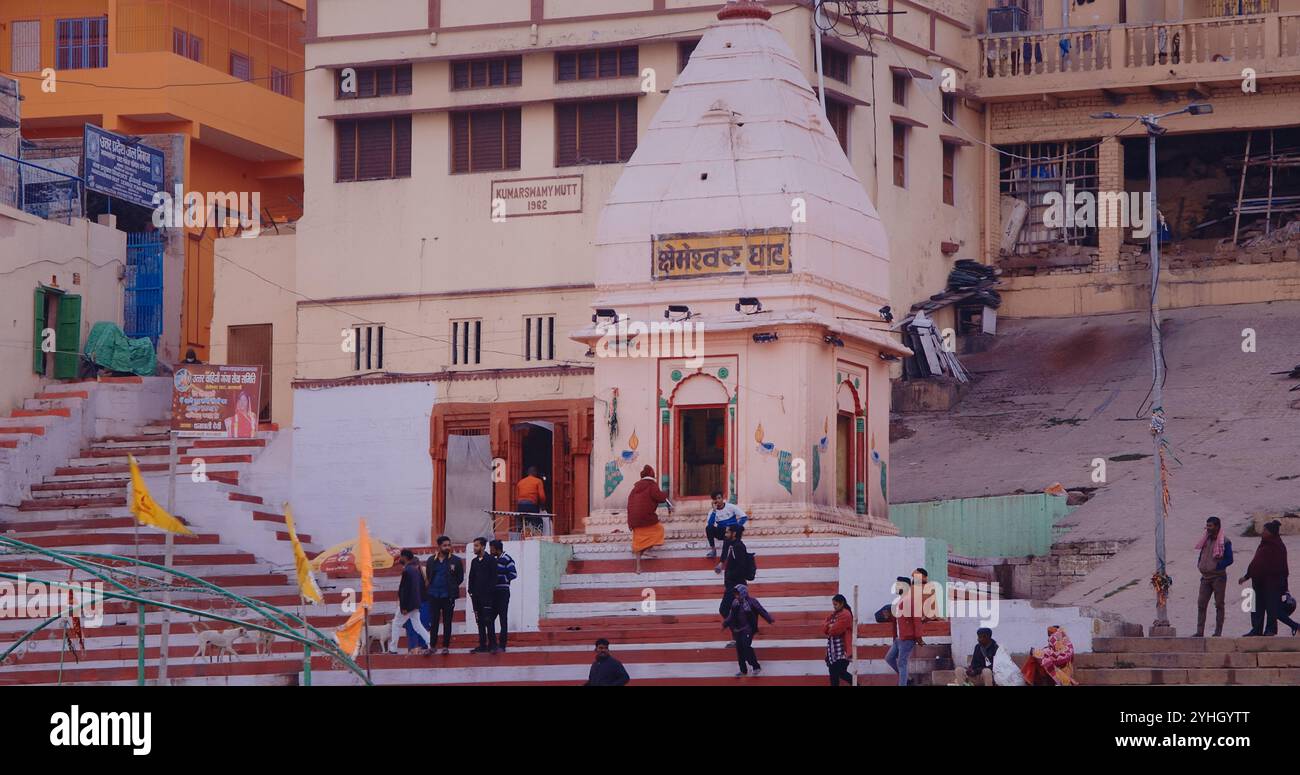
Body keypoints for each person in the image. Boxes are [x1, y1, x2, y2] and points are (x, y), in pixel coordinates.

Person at [1240, 519, 1299, 637]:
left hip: (1273, 583)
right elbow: (1256, 563)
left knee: (1272, 609)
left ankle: (1271, 630)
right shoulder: (1263, 544)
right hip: (1259, 583)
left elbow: (1282, 567)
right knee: (1257, 607)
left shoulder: (1278, 547)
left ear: (1271, 532)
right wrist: (1247, 576)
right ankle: (1256, 629)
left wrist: (1283, 586)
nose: (1262, 532)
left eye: (1265, 530)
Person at [721, 584, 774, 678]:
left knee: (746, 646)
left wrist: (769, 619)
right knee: (739, 648)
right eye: (735, 594)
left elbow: (761, 611)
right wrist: (725, 624)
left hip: (749, 628)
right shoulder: (735, 603)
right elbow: (731, 615)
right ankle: (743, 670)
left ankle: (755, 666)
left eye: (737, 593)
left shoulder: (752, 602)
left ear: (743, 593)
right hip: (738, 629)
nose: (736, 596)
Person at [1194, 516, 1234, 637]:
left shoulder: (1225, 542)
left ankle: (1218, 632)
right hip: (1205, 577)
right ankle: (1199, 632)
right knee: (1201, 604)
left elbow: (1229, 559)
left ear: (1217, 526)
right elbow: (1202, 554)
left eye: (1210, 526)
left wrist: (1218, 566)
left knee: (1219, 604)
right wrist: (1200, 564)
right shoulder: (1206, 540)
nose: (1208, 528)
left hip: (1218, 577)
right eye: (1207, 526)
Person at [627, 465, 670, 574]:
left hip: (634, 520)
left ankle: (638, 567)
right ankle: (645, 549)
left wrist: (630, 522)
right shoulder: (652, 485)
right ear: (651, 474)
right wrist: (666, 493)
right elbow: (659, 497)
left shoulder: (634, 489)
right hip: (646, 517)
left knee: (638, 542)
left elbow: (629, 505)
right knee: (659, 531)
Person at [425, 535, 464, 655]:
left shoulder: (456, 561)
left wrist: (451, 587)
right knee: (434, 621)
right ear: (439, 547)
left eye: (449, 545)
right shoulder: (431, 560)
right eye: (445, 545)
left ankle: (445, 646)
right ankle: (432, 646)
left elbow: (460, 578)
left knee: (447, 622)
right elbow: (428, 575)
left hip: (448, 596)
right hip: (433, 595)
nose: (448, 547)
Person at [389, 549, 431, 655]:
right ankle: (430, 643)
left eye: (401, 557)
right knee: (418, 626)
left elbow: (405, 590)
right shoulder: (415, 569)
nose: (399, 559)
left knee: (396, 624)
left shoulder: (408, 570)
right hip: (415, 603)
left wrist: (404, 606)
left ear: (405, 557)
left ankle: (393, 648)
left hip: (408, 604)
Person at [885, 573, 925, 686]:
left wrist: (918, 637)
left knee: (902, 663)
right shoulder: (899, 601)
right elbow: (898, 619)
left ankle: (903, 683)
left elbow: (916, 619)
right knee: (889, 658)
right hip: (899, 638)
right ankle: (907, 678)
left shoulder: (911, 600)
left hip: (907, 638)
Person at [468, 537, 500, 653]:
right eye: (474, 545)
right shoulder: (474, 561)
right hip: (476, 597)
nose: (474, 548)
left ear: (482, 546)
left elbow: (494, 578)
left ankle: (493, 645)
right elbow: (471, 577)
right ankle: (482, 645)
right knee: (479, 621)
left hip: (487, 597)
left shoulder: (491, 560)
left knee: (488, 620)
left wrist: (489, 592)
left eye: (476, 545)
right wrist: (471, 591)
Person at [489, 539, 517, 651]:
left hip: (503, 592)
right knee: (490, 619)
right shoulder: (492, 560)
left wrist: (500, 578)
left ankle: (502, 645)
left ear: (497, 549)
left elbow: (513, 574)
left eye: (491, 548)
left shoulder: (507, 559)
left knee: (502, 619)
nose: (490, 551)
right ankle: (493, 644)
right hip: (493, 593)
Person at [718, 524, 751, 619]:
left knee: (724, 609)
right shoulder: (733, 545)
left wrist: (729, 575)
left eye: (728, 532)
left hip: (735, 585)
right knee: (739, 609)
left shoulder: (738, 547)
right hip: (735, 584)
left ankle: (738, 627)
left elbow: (741, 567)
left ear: (734, 533)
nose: (726, 534)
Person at [704, 490, 747, 562]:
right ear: (713, 501)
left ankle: (723, 560)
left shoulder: (731, 507)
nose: (718, 500)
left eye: (719, 498)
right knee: (709, 528)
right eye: (715, 499)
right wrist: (714, 511)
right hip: (721, 531)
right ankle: (713, 550)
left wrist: (735, 527)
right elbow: (710, 525)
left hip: (731, 531)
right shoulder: (712, 511)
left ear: (722, 498)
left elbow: (744, 517)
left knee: (731, 532)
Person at [824, 594, 854, 686]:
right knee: (835, 674)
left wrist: (830, 626)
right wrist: (829, 626)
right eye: (833, 605)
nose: (834, 607)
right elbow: (824, 627)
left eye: (836, 604)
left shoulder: (846, 614)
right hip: (833, 651)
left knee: (839, 673)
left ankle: (856, 683)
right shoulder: (835, 614)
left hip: (842, 651)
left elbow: (835, 630)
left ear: (842, 604)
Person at [516, 466, 547, 532]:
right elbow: (542, 496)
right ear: (535, 472)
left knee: (523, 521)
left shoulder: (520, 482)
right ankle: (537, 535)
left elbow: (517, 496)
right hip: (531, 505)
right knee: (537, 522)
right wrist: (542, 505)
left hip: (520, 506)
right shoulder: (538, 481)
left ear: (528, 473)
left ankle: (520, 534)